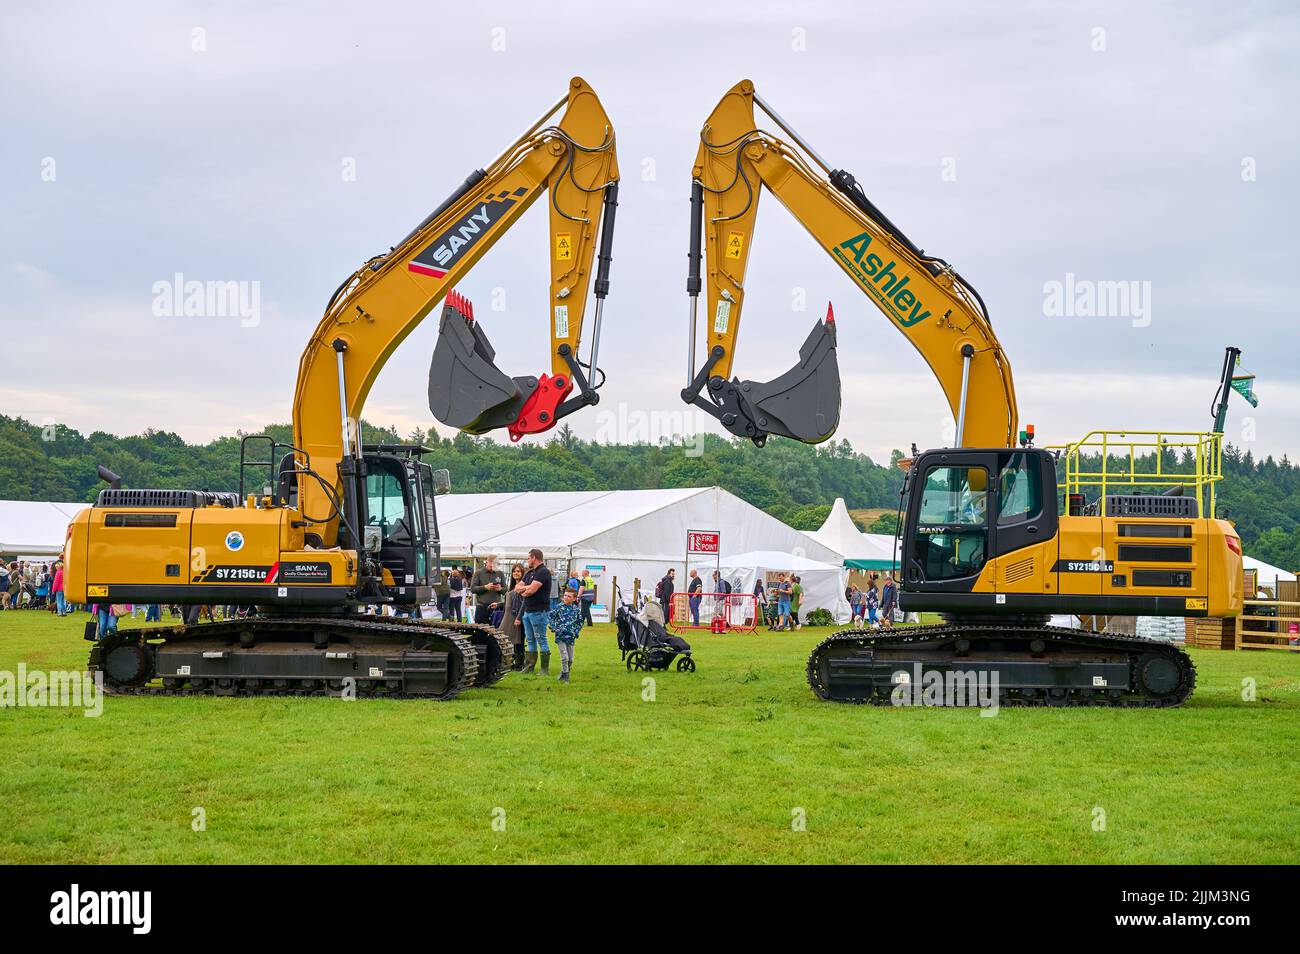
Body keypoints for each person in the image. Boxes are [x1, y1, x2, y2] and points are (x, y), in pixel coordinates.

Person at [514, 549, 553, 675]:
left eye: (528, 558)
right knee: (530, 640)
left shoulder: (543, 572)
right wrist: (526, 588)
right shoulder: (530, 572)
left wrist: (525, 589)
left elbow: (531, 591)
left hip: (539, 611)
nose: (527, 561)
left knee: (541, 639)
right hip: (527, 611)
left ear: (534, 557)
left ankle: (544, 669)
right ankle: (529, 667)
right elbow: (517, 588)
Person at [548, 583, 585, 683]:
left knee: (570, 660)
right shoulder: (558, 607)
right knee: (564, 658)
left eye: (569, 596)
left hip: (571, 637)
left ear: (574, 599)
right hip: (560, 636)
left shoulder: (576, 610)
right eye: (565, 595)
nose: (566, 597)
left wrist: (575, 631)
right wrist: (553, 627)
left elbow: (580, 622)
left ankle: (563, 673)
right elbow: (551, 617)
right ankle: (566, 678)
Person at [502, 563, 527, 670]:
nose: (516, 573)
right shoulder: (511, 587)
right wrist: (498, 604)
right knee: (509, 641)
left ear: (522, 573)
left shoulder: (523, 587)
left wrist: (519, 618)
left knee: (519, 641)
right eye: (514, 571)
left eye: (518, 571)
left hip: (518, 617)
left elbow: (524, 603)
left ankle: (519, 664)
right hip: (508, 617)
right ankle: (511, 662)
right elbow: (508, 602)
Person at [470, 555, 507, 626]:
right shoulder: (479, 573)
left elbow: (506, 591)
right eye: (492, 565)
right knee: (480, 631)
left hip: (496, 608)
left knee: (495, 632)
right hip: (481, 608)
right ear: (487, 562)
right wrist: (485, 587)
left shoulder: (500, 573)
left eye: (496, 564)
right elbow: (473, 589)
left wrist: (500, 589)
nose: (494, 567)